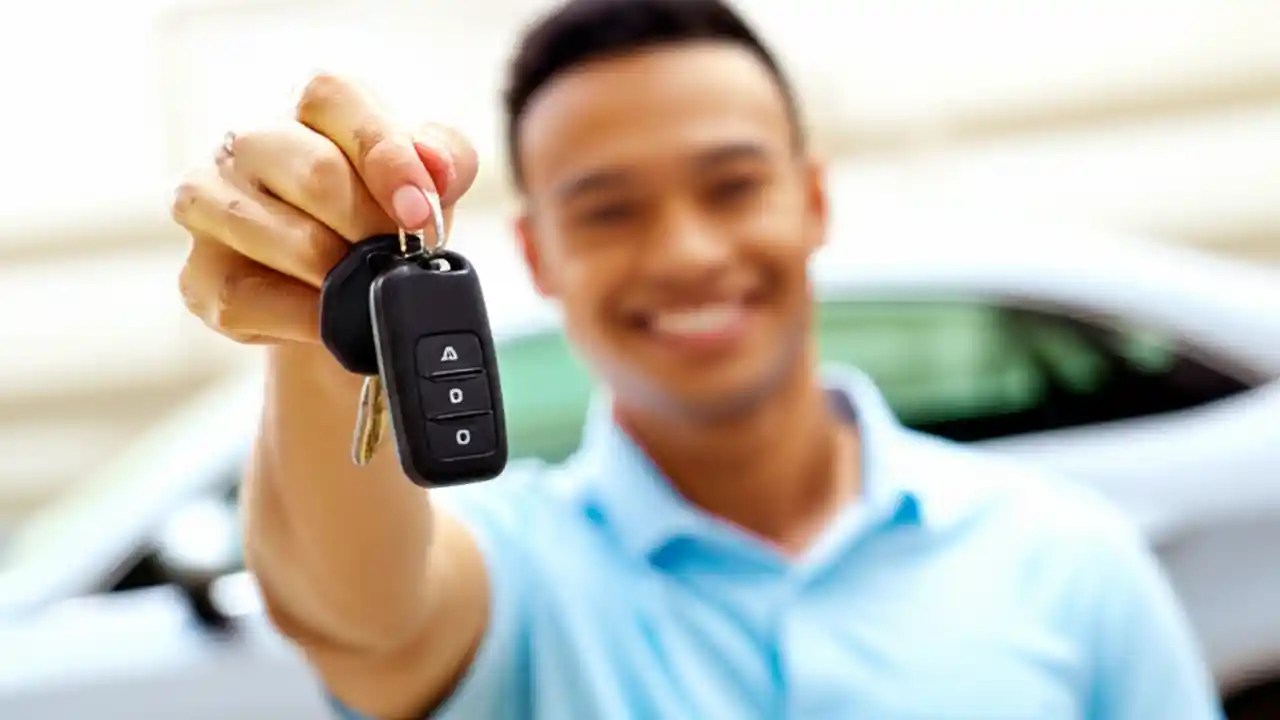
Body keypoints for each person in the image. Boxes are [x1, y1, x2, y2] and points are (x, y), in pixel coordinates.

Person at [169, 1, 1225, 718]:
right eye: (608, 209)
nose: (683, 253)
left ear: (810, 201)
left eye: (729, 186)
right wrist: (331, 326)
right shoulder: (515, 573)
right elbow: (353, 611)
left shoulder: (1068, 558)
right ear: (536, 254)